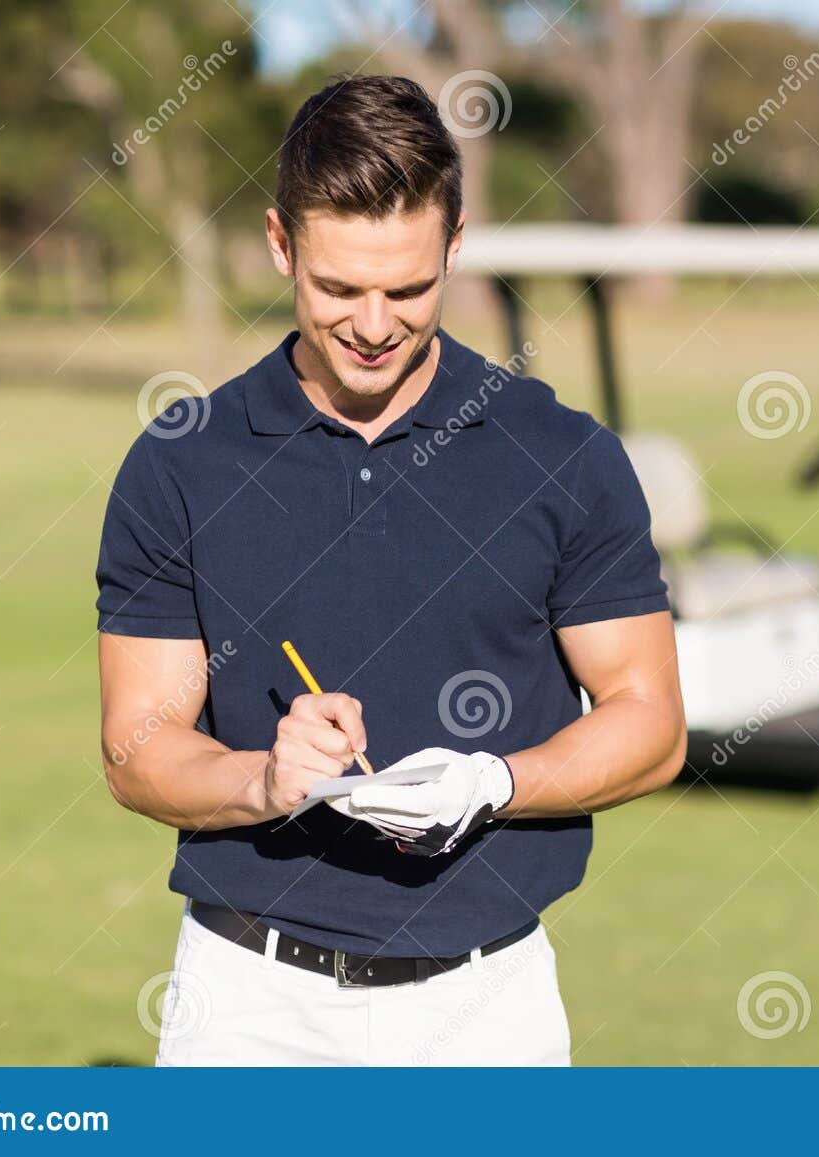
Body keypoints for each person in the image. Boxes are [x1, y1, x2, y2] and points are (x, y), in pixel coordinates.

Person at [94, 74, 686, 1066]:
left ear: (455, 246)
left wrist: (494, 780)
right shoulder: (180, 460)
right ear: (281, 244)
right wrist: (264, 778)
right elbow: (135, 744)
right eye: (338, 288)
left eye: (408, 289)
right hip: (247, 1006)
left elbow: (653, 722)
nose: (373, 323)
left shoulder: (564, 454)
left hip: (486, 1007)